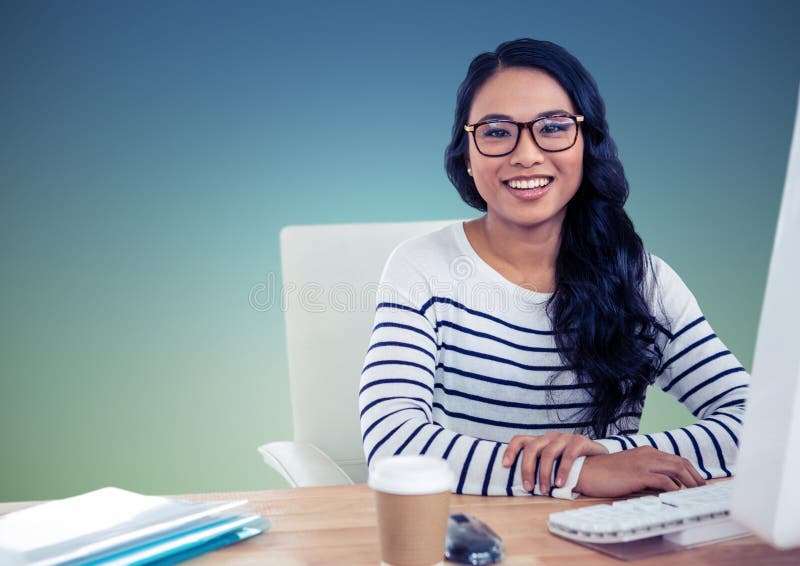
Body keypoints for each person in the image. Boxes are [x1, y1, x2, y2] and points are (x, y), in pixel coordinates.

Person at [358, 38, 748, 498]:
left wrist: (614, 455)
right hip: (468, 537)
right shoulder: (421, 267)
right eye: (497, 131)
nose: (525, 154)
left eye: (553, 127)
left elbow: (760, 425)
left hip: (605, 536)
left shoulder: (643, 279)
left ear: (587, 142)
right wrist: (575, 475)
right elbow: (392, 443)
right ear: (467, 151)